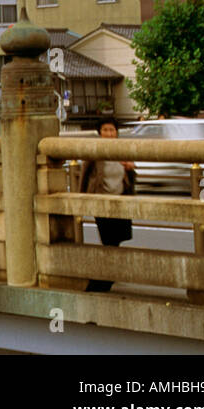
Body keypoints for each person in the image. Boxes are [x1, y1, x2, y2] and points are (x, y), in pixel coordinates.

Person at [78, 118, 135, 292]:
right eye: (105, 130)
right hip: (101, 200)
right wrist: (81, 199)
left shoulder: (123, 150)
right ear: (99, 132)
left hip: (120, 200)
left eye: (111, 130)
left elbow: (131, 180)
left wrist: (130, 168)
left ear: (117, 132)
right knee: (108, 239)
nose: (109, 133)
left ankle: (107, 275)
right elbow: (85, 175)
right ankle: (104, 278)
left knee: (116, 241)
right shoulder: (95, 151)